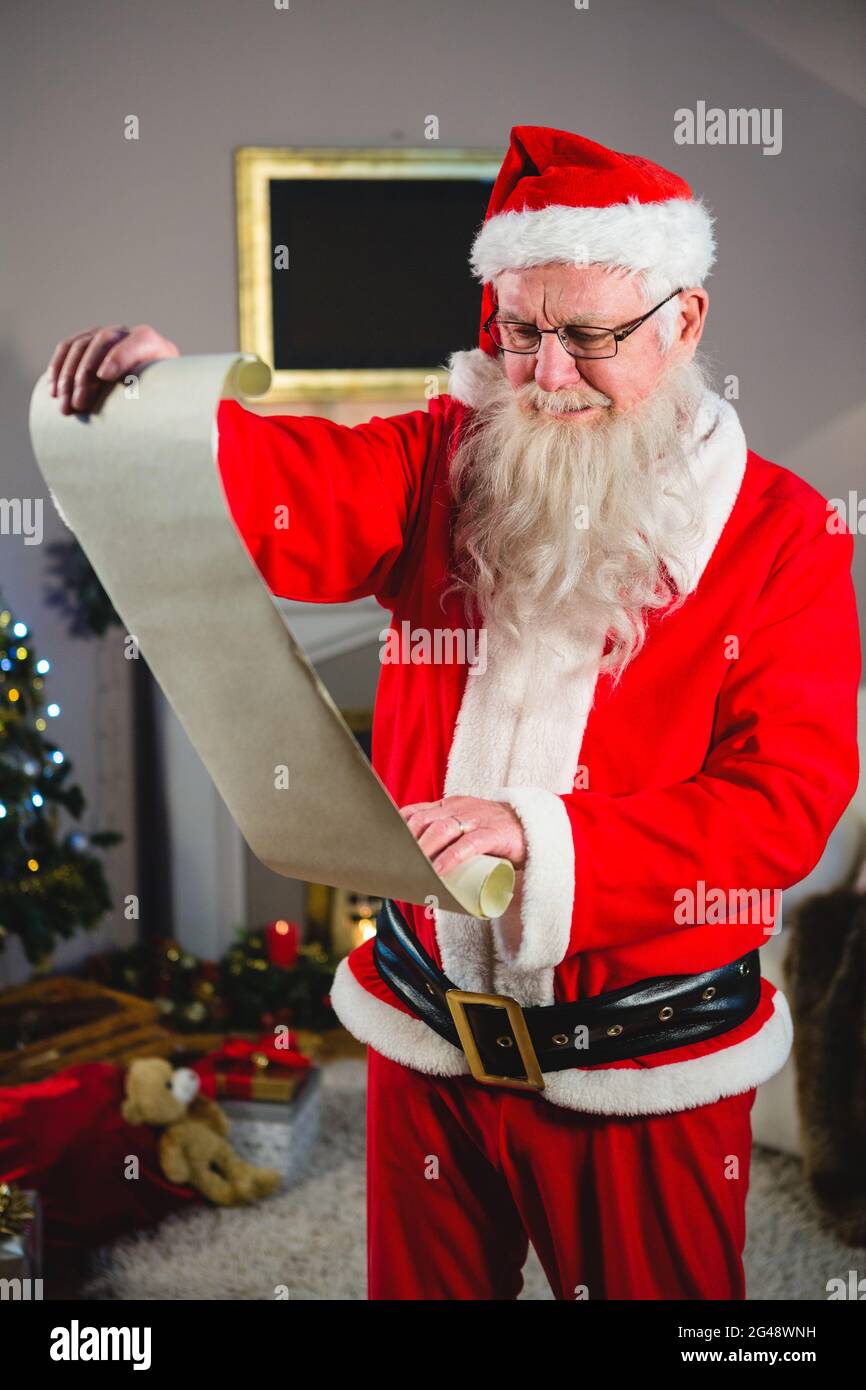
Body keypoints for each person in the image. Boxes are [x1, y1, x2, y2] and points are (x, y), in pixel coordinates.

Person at [46, 125, 861, 1301]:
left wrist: (536, 833)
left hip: (641, 1063)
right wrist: (164, 404)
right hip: (425, 1033)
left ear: (683, 322)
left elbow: (778, 809)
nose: (544, 372)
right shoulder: (445, 457)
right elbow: (302, 497)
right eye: (520, 330)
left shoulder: (781, 534)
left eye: (587, 336)